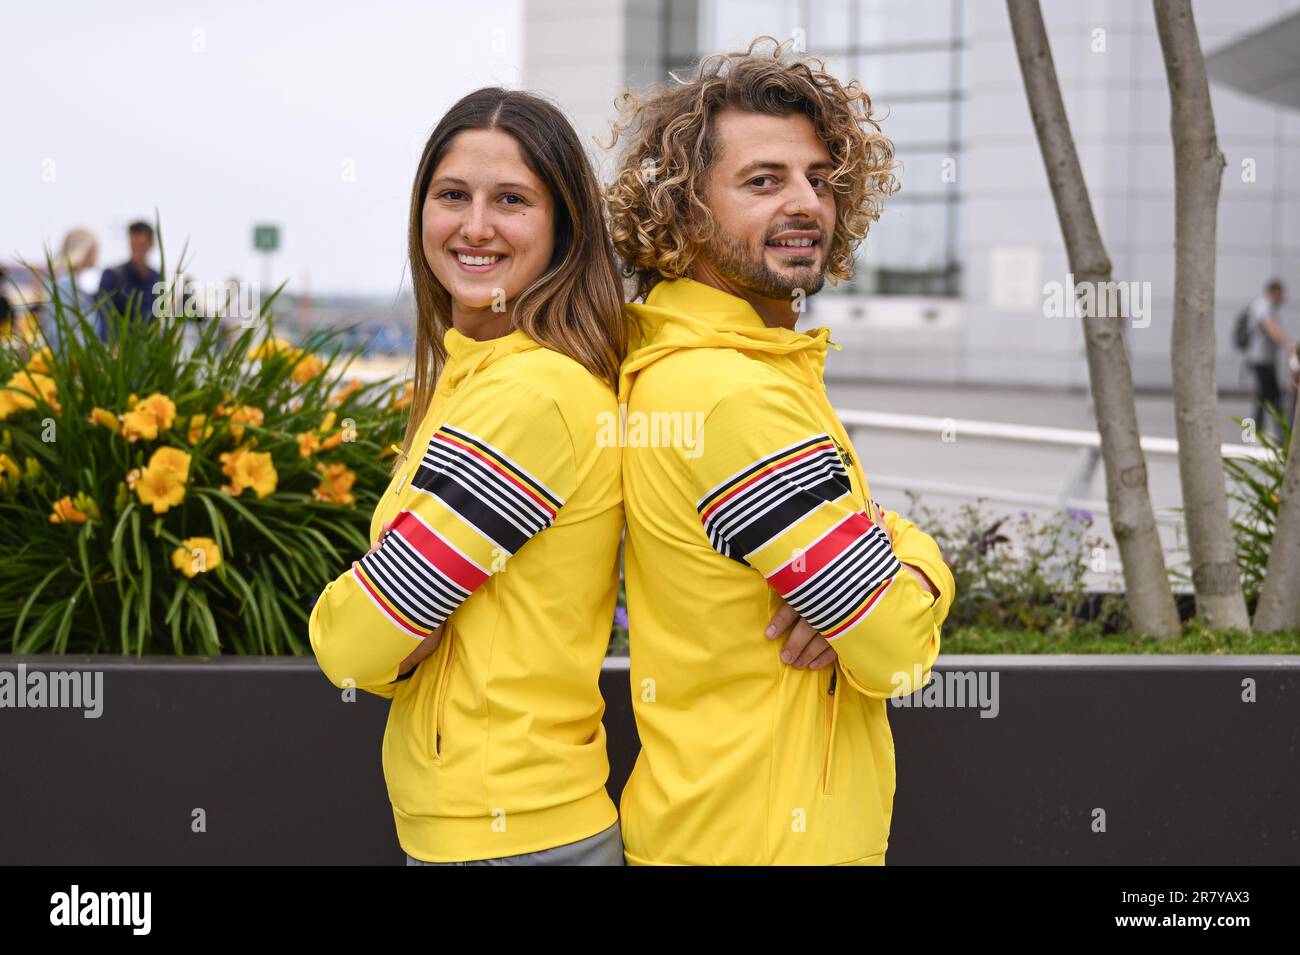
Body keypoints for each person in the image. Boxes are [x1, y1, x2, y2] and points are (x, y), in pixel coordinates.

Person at [605, 37, 956, 865]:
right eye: (763, 181)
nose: (806, 203)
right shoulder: (732, 394)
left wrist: (868, 578)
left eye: (820, 179)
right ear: (682, 210)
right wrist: (917, 564)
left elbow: (867, 619)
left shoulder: (726, 365)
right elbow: (895, 651)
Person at [309, 87, 627, 865]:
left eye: (511, 200)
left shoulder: (530, 396)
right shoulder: (475, 374)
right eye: (453, 195)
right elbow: (400, 623)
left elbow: (357, 639)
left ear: (564, 227)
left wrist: (370, 627)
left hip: (513, 834)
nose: (475, 225)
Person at [95, 220, 161, 342]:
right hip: (120, 348)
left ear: (151, 244)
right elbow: (104, 317)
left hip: (149, 348)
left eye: (142, 245)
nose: (138, 250)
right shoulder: (112, 276)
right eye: (134, 245)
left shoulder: (157, 279)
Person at [1244, 280, 1293, 440]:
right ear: (1273, 291)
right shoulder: (1262, 305)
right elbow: (1271, 329)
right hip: (1260, 359)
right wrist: (1289, 345)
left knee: (1262, 398)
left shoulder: (1267, 306)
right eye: (1281, 294)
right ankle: (1283, 436)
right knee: (1274, 398)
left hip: (1264, 359)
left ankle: (1252, 434)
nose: (1283, 298)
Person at [43, 228, 100, 351]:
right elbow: (60, 330)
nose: (96, 255)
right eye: (93, 250)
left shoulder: (76, 283)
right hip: (73, 357)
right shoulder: (66, 284)